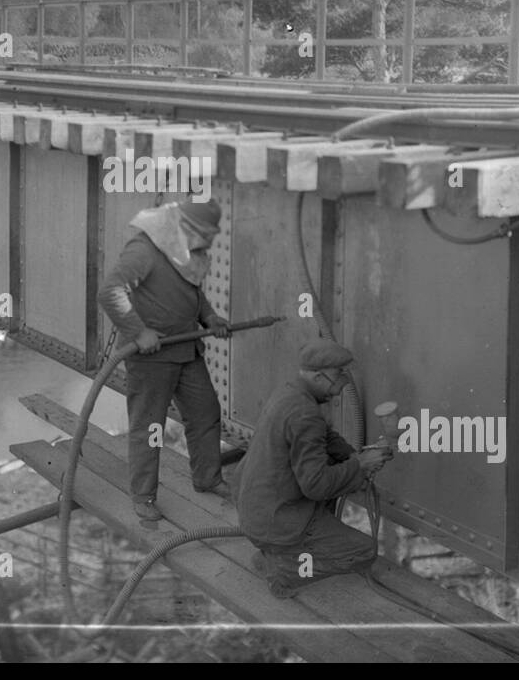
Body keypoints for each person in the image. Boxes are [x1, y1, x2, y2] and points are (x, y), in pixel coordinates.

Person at [98, 198, 232, 522]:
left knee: (205, 412)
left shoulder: (183, 249)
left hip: (186, 348)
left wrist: (210, 317)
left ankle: (208, 478)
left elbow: (192, 292)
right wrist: (139, 331)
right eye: (206, 235)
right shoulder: (145, 249)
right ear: (186, 227)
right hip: (151, 356)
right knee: (150, 426)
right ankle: (143, 496)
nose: (210, 242)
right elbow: (111, 291)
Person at [230, 338, 391, 599]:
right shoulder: (305, 413)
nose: (341, 386)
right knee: (363, 552)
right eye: (339, 376)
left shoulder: (290, 393)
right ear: (318, 376)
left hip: (257, 510)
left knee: (331, 485)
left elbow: (324, 437)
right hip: (277, 520)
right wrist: (360, 465)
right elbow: (316, 486)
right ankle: (284, 570)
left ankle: (273, 553)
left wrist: (354, 455)